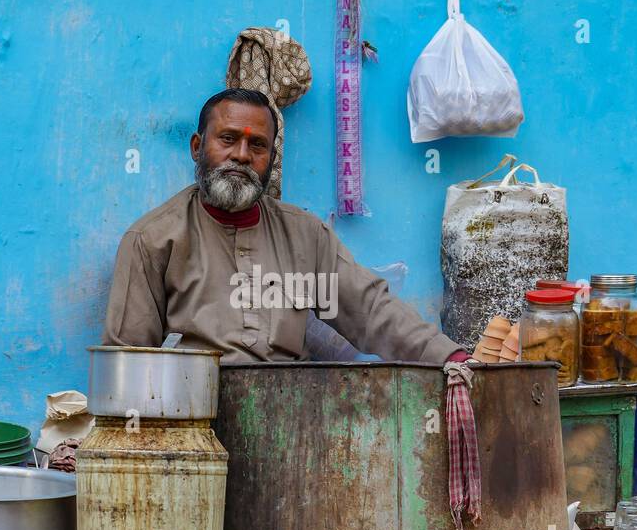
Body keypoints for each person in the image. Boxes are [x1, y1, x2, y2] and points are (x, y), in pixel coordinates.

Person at [103, 87, 469, 366]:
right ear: (198, 147)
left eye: (257, 145)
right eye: (228, 139)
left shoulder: (305, 236)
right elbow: (127, 358)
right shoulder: (152, 239)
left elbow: (371, 311)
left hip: (293, 416)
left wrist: (450, 359)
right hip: (195, 419)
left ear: (271, 159)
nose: (242, 155)